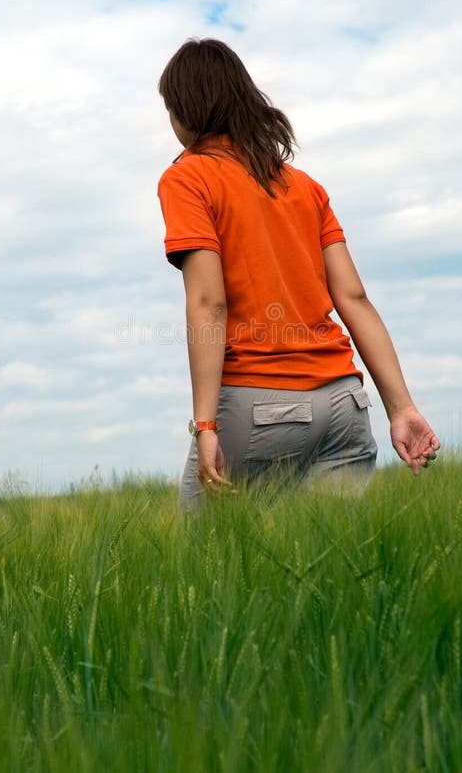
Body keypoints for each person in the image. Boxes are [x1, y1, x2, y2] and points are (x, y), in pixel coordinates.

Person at [157, 38, 440, 509]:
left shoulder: (187, 177)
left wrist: (205, 425)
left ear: (186, 108)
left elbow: (209, 303)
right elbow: (354, 299)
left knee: (207, 568)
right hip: (346, 408)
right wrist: (402, 407)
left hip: (260, 407)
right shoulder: (305, 187)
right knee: (327, 574)